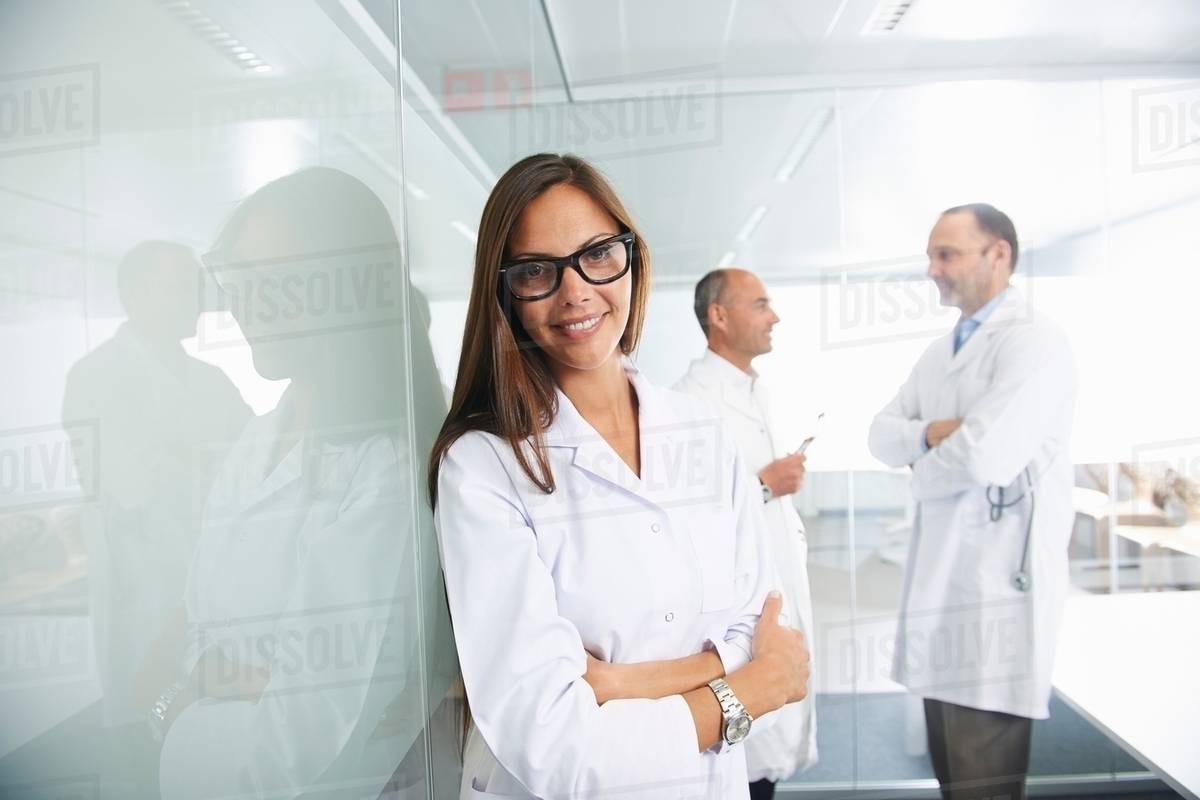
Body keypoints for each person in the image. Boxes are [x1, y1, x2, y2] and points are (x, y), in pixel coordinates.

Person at [429, 153, 811, 799]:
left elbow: (765, 627)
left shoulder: (701, 432)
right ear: (506, 294)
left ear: (631, 257)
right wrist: (739, 690)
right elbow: (559, 744)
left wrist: (620, 684)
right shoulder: (483, 465)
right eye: (536, 272)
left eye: (597, 254)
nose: (575, 290)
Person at [151, 168, 458, 799]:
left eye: (275, 282)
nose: (246, 306)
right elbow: (193, 631)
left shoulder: (384, 467)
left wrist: (180, 712)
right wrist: (217, 682)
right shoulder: (259, 438)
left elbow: (304, 743)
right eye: (238, 279)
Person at [867, 204, 1076, 800]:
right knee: (954, 782)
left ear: (999, 255)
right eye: (931, 255)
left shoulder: (1035, 343)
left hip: (995, 608)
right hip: (944, 600)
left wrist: (920, 464)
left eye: (947, 254)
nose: (932, 269)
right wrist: (936, 433)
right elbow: (880, 434)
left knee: (983, 785)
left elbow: (986, 457)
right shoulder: (943, 350)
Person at [61, 241, 251, 729]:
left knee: (209, 729)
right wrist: (202, 469)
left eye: (197, 286)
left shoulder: (211, 380)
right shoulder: (93, 378)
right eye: (181, 286)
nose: (197, 299)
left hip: (215, 587)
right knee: (147, 727)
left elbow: (251, 460)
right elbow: (136, 488)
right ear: (134, 295)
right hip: (144, 591)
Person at [675, 268, 818, 799]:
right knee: (739, 768)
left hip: (771, 596)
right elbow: (687, 521)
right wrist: (765, 485)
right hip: (734, 622)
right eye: (760, 304)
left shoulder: (756, 393)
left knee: (764, 771)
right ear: (719, 316)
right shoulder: (689, 402)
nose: (773, 316)